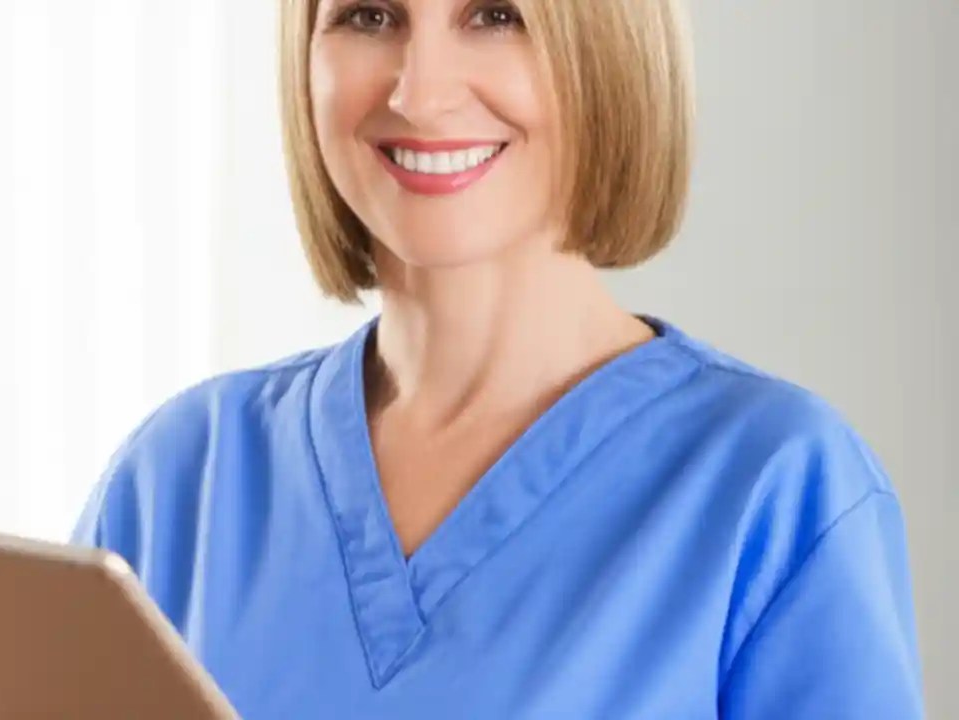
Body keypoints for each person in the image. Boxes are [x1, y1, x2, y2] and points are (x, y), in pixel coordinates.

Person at [72, 0, 925, 716]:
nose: (421, 92)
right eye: (369, 15)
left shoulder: (776, 490)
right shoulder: (178, 482)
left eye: (495, 15)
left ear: (607, 48)